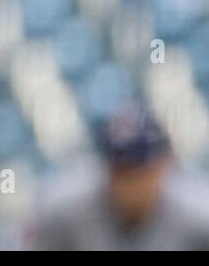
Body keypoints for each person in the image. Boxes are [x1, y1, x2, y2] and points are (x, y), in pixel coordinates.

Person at [23, 102, 209, 250]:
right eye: (119, 170)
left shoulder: (200, 216)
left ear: (164, 165)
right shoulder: (63, 209)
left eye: (137, 170)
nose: (128, 183)